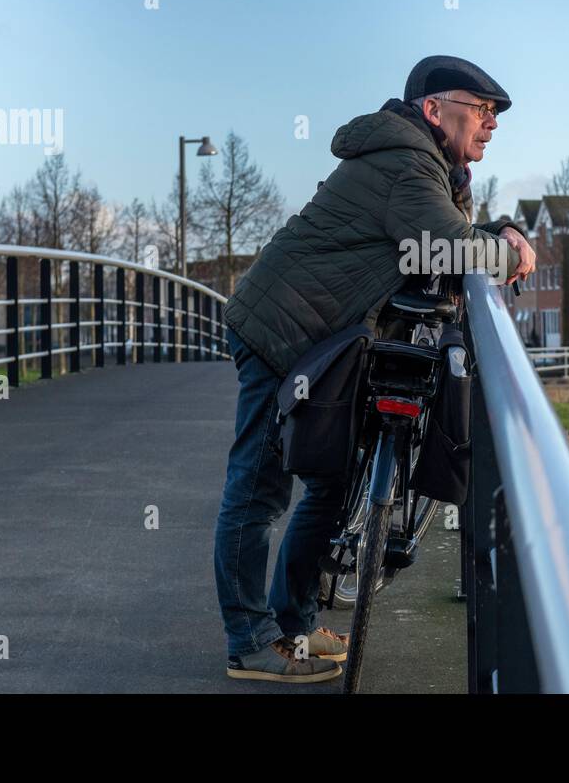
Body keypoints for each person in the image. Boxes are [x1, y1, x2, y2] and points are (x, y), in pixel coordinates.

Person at [215, 55, 537, 683]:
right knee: (258, 489)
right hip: (279, 332)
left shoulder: (430, 166)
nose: (490, 122)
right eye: (479, 108)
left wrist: (494, 229)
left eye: (495, 114)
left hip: (320, 341)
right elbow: (442, 246)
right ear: (433, 109)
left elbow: (446, 235)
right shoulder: (406, 162)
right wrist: (512, 250)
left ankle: (295, 626)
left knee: (332, 484)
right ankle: (248, 642)